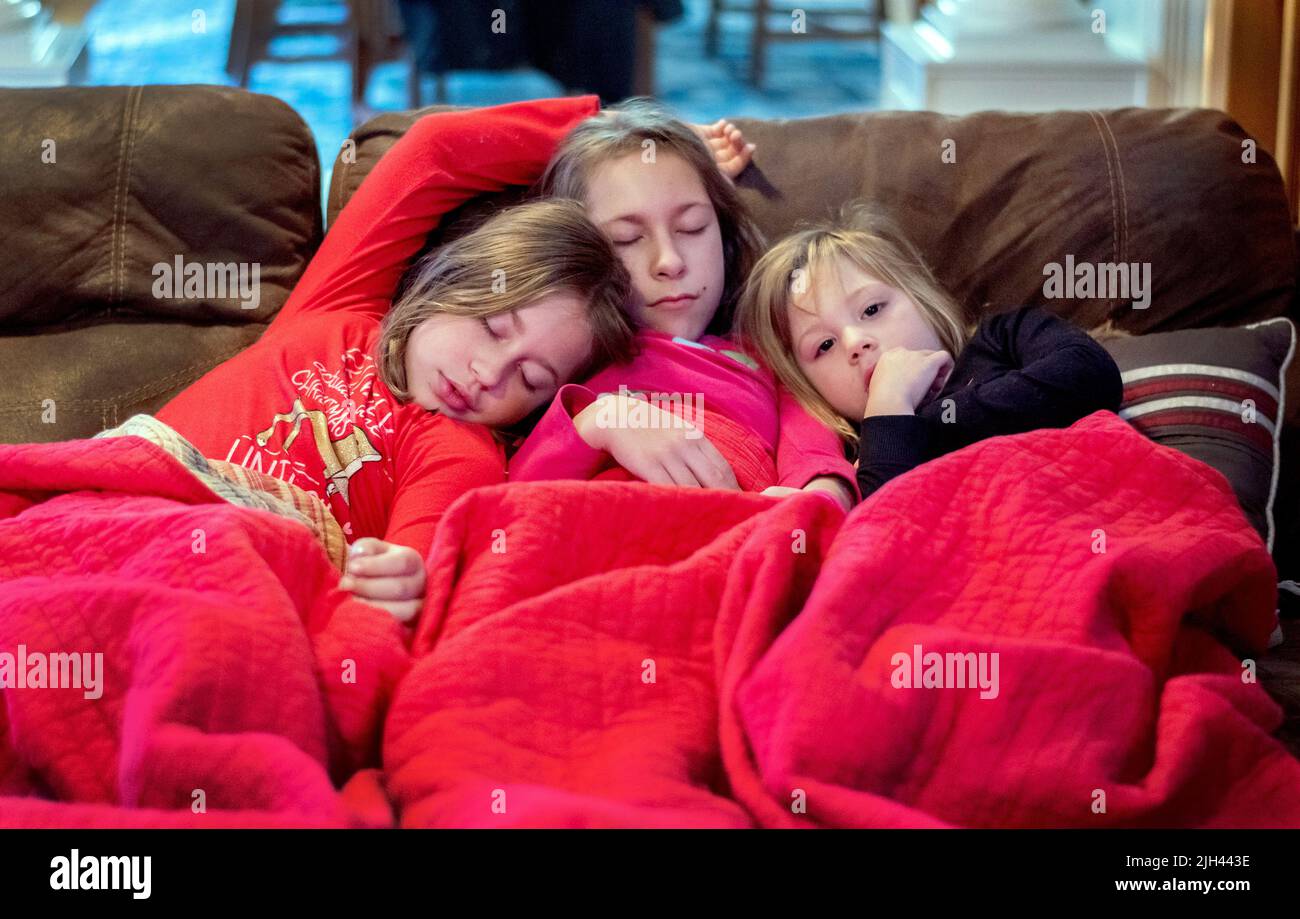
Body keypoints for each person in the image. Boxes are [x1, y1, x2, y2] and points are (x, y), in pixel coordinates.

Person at [735, 205, 1124, 499]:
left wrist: (912, 427)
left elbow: (1091, 375)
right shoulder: (855, 456)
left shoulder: (1002, 338)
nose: (856, 343)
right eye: (824, 345)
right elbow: (885, 524)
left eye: (872, 309)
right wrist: (888, 408)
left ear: (922, 298)